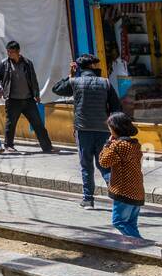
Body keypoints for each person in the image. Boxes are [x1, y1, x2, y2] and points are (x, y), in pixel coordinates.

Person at [52, 54, 122, 208]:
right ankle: (118, 195)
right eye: (96, 64)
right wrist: (115, 131)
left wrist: (70, 75)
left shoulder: (75, 82)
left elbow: (56, 89)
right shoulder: (105, 83)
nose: (98, 66)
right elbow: (117, 108)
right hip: (104, 130)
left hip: (83, 130)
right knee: (104, 164)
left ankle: (88, 199)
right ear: (91, 66)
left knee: (86, 165)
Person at [0, 40, 54, 153]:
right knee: (11, 124)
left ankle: (47, 147)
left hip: (28, 100)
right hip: (12, 100)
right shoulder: (4, 63)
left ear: (18, 51)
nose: (9, 54)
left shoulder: (27, 63)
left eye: (11, 52)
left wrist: (36, 94)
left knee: (38, 124)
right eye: (8, 51)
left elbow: (33, 79)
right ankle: (8, 145)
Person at [99, 112, 145, 239]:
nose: (109, 129)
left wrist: (108, 144)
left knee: (119, 222)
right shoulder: (135, 144)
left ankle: (142, 244)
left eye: (109, 127)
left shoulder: (118, 145)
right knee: (131, 224)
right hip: (137, 190)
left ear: (115, 128)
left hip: (124, 191)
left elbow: (104, 162)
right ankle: (137, 247)